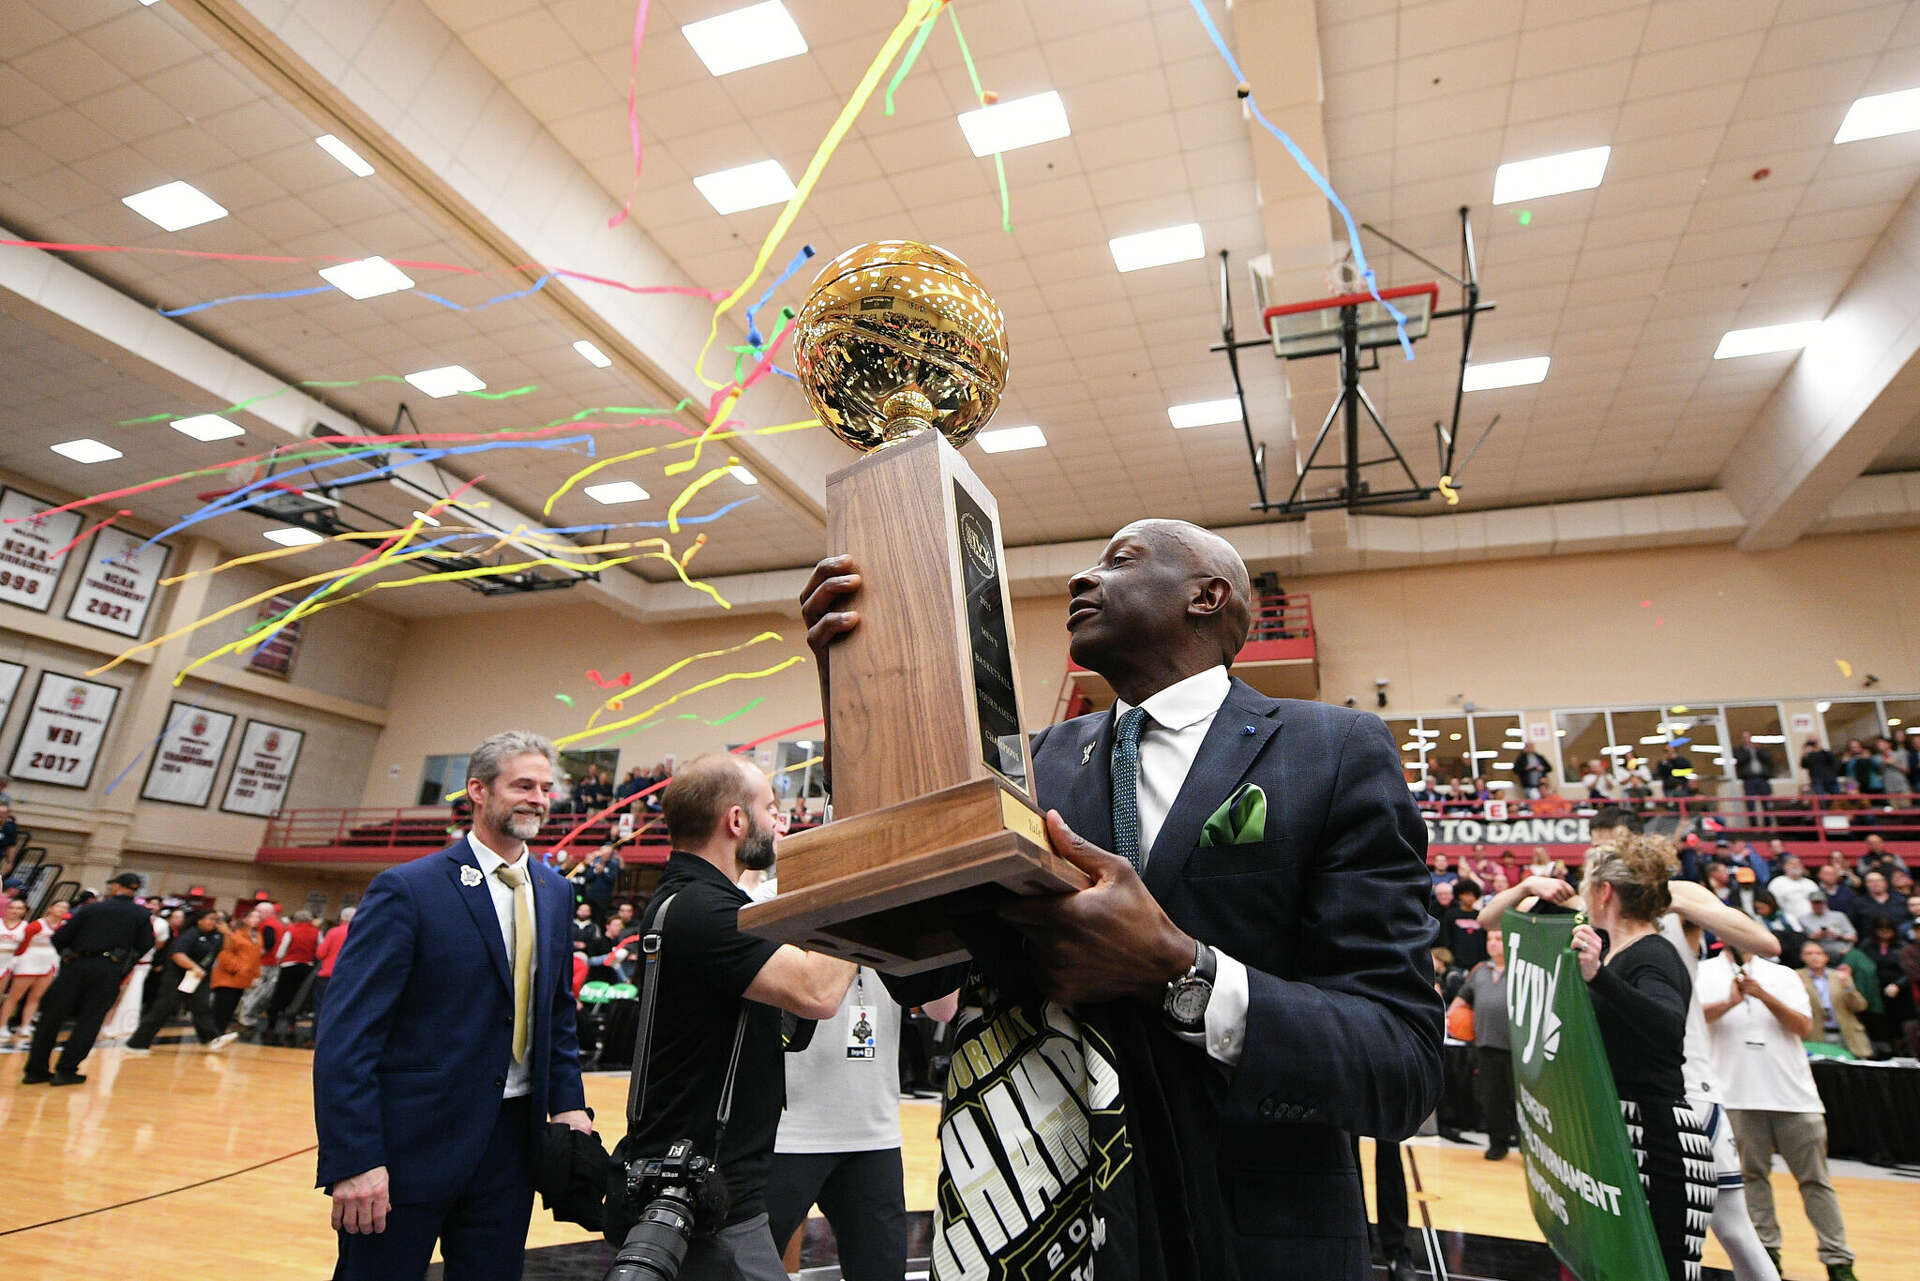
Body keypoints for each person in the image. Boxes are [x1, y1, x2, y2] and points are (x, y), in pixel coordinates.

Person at [802, 519, 1441, 1280]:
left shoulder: (1333, 751)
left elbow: (1401, 1063)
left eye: (1121, 561)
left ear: (1208, 596)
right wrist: (857, 695)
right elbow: (919, 971)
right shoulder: (1028, 765)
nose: (1082, 578)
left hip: (1246, 1242)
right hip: (1028, 1234)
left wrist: (1181, 970)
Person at [313, 731, 591, 1281]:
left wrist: (569, 1104)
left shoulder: (556, 892)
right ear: (478, 791)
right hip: (407, 1147)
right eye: (523, 786)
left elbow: (555, 1014)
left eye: (545, 788)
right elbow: (347, 1037)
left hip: (512, 1144)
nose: (538, 799)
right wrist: (355, 1159)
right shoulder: (408, 889)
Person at [621, 753, 856, 1281]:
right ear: (735, 821)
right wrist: (865, 883)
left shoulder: (693, 900)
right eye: (770, 808)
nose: (780, 821)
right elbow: (818, 991)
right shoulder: (703, 910)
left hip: (711, 1177)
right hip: (706, 1185)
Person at [1566, 836, 1715, 1281]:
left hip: (1660, 1143)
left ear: (1604, 892)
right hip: (1629, 1138)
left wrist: (1600, 978)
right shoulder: (1618, 952)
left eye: (1586, 883)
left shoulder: (1653, 953)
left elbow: (1668, 1027)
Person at [767, 975, 959, 1281]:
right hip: (784, 1131)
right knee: (744, 1267)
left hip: (873, 1132)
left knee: (882, 1270)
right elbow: (819, 995)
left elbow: (943, 1008)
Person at [1699, 947, 1863, 1281]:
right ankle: (1767, 1256)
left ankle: (1838, 1260)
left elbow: (1803, 1025)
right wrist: (1731, 1001)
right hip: (1735, 1094)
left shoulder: (1783, 975)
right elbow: (1695, 1022)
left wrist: (1762, 995)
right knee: (1750, 1180)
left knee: (1816, 1181)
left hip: (1793, 1097)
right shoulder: (1702, 972)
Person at [19, 874, 156, 1084]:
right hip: (108, 968)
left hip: (76, 965)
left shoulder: (92, 908)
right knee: (90, 1020)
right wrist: (122, 964)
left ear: (117, 886)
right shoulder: (140, 913)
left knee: (51, 1017)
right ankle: (66, 1070)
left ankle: (35, 1070)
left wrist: (67, 958)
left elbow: (60, 937)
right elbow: (146, 943)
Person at [125, 907, 229, 1053]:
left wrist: (228, 933)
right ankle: (137, 1043)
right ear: (200, 921)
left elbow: (228, 948)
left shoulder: (217, 936)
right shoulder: (190, 934)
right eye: (211, 919)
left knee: (202, 1007)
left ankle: (211, 1039)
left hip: (198, 978)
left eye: (216, 920)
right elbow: (177, 954)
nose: (214, 922)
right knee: (163, 1008)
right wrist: (193, 967)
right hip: (177, 976)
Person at [1457, 926, 1516, 1161]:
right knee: (1492, 1098)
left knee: (1518, 1100)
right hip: (1485, 1044)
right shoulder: (1480, 971)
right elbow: (1461, 1000)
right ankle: (1497, 1143)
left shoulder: (1519, 969)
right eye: (1490, 939)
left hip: (1517, 1048)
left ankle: (1526, 1145)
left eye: (1498, 939)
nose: (1492, 943)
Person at [0, 900, 68, 1041]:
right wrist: (17, 960)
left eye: (65, 907)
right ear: (50, 907)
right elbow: (23, 944)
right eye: (59, 906)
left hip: (48, 964)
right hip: (28, 963)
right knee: (14, 997)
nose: (62, 909)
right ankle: (2, 1025)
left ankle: (25, 1026)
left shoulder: (64, 927)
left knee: (35, 997)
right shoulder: (36, 925)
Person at [1796, 941, 1870, 1057]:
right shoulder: (1796, 976)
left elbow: (1860, 1006)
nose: (1814, 957)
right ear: (1802, 957)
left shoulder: (1840, 976)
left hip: (1846, 1034)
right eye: (1809, 954)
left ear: (1826, 957)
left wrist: (1848, 988)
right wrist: (1800, 990)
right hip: (1815, 1036)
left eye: (1818, 953)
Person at [210, 906, 266, 1036]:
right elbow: (225, 953)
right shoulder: (234, 934)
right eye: (253, 916)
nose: (256, 919)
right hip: (229, 977)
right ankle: (213, 1036)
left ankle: (218, 1035)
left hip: (243, 979)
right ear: (245, 919)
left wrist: (255, 975)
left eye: (258, 917)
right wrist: (236, 969)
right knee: (221, 1010)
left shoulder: (257, 936)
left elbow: (255, 958)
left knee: (230, 1011)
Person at [312, 906, 353, 1020]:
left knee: (321, 1007)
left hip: (328, 974)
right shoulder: (360, 932)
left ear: (341, 918)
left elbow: (320, 953)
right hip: (350, 976)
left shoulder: (334, 932)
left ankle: (316, 1036)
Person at [1799, 892, 1858, 961]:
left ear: (1825, 903)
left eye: (1820, 902)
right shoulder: (1803, 919)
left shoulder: (1839, 916)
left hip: (1843, 951)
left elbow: (1854, 938)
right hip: (1820, 953)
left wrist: (1838, 935)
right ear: (1811, 903)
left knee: (1856, 956)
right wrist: (1814, 937)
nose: (1818, 905)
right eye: (1815, 903)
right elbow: (1801, 942)